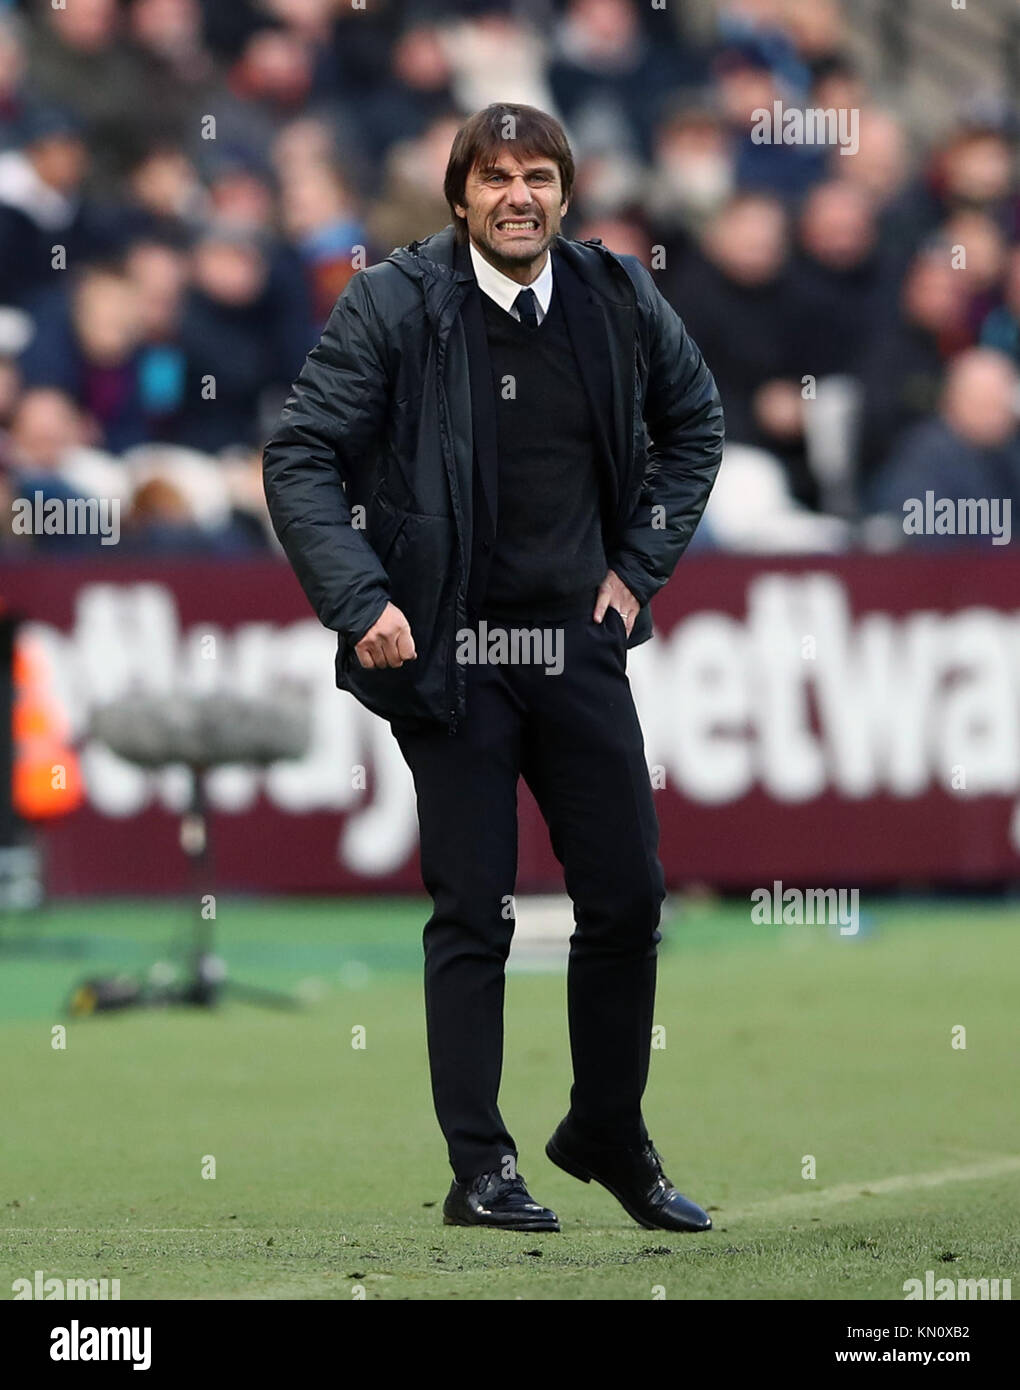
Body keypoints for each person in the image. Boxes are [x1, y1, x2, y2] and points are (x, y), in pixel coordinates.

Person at [262, 103, 724, 1233]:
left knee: (627, 898)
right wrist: (361, 596)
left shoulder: (616, 295)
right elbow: (300, 453)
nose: (518, 195)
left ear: (567, 192)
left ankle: (606, 1130)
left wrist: (635, 571)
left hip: (577, 644)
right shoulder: (394, 300)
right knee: (475, 907)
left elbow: (695, 423)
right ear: (459, 194)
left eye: (539, 176)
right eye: (496, 176)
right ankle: (481, 1166)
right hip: (452, 648)